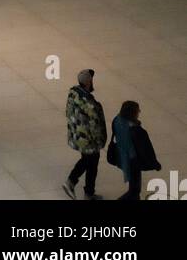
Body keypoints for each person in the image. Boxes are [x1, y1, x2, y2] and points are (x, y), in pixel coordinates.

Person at [63, 69, 106, 201]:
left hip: (77, 136)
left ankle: (89, 192)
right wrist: (101, 140)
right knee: (89, 161)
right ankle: (71, 181)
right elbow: (95, 125)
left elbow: (68, 113)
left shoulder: (73, 93)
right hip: (88, 139)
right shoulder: (90, 104)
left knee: (91, 163)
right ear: (89, 82)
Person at [111, 100, 161, 200]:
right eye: (138, 111)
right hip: (134, 162)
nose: (139, 112)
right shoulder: (138, 131)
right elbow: (146, 151)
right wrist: (155, 164)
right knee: (134, 190)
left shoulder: (117, 120)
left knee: (133, 189)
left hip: (122, 157)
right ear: (132, 113)